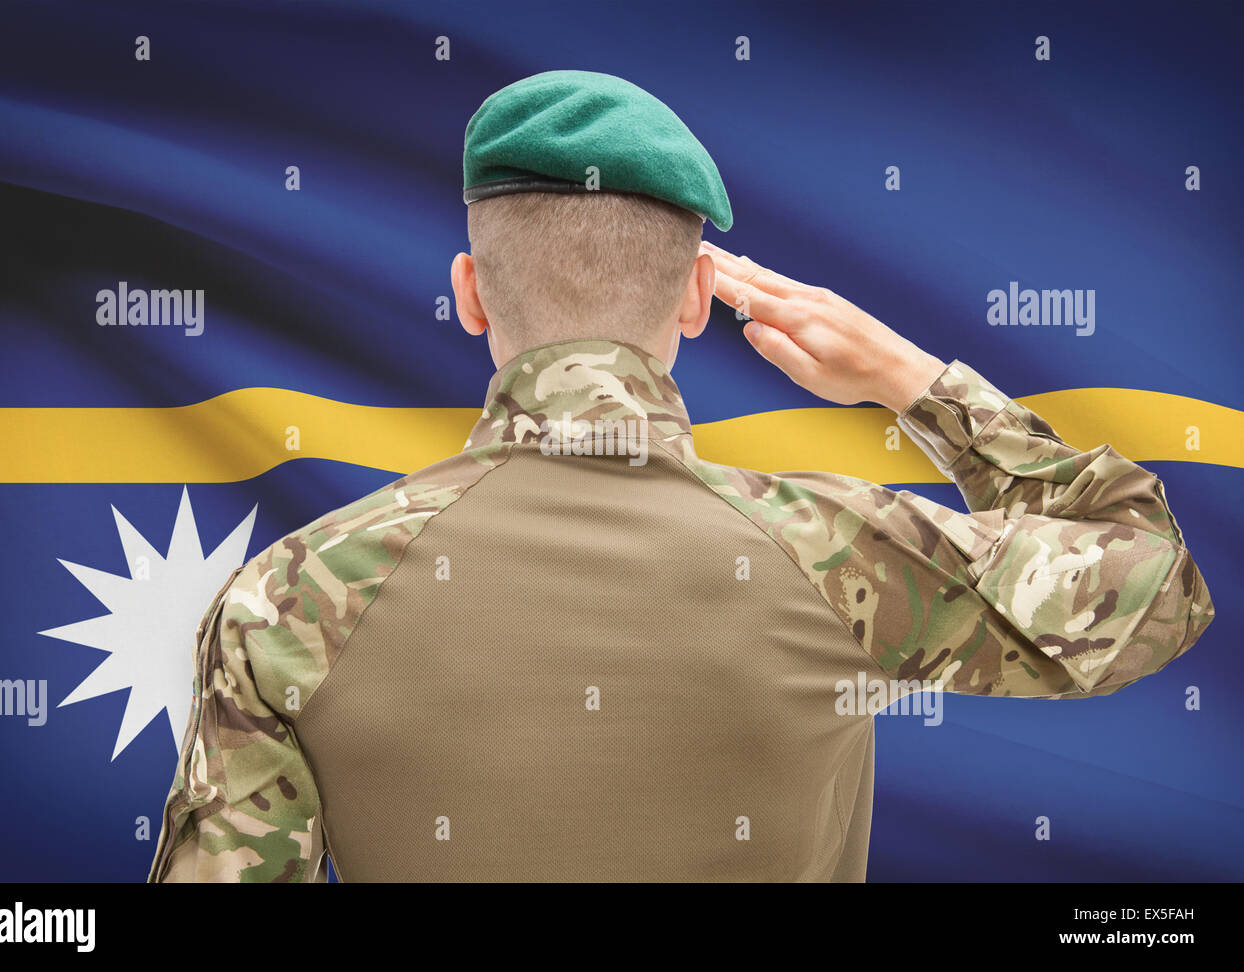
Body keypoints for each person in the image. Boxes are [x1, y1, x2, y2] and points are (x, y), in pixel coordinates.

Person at [148, 70, 1213, 882]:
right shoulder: (836, 554)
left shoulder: (286, 597)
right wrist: (912, 380)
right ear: (700, 298)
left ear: (470, 294)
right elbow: (1155, 585)